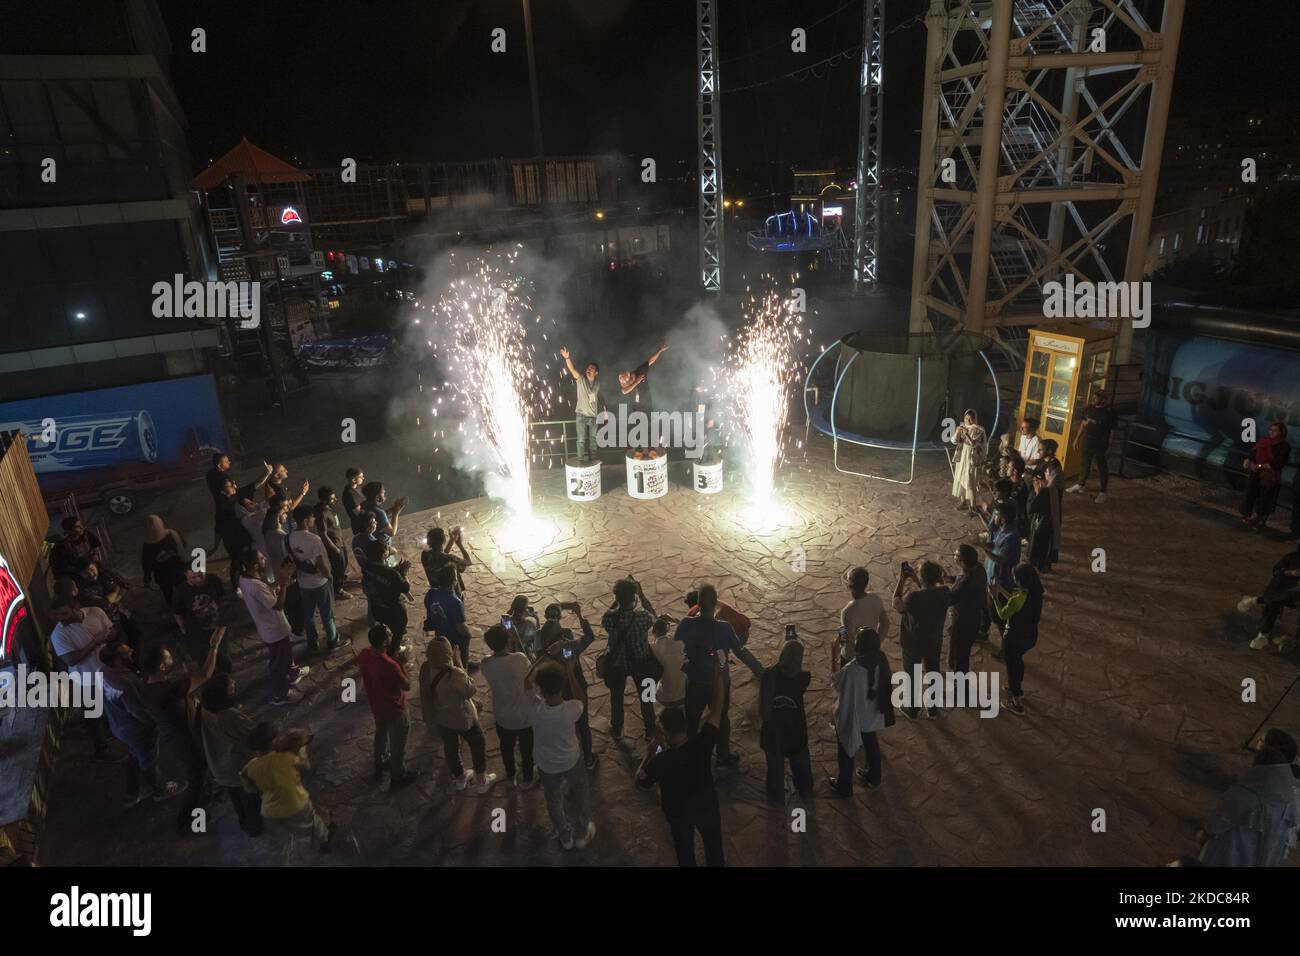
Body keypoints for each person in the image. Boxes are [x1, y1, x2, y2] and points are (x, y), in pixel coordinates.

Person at [637, 660, 726, 866]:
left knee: (684, 851)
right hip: (706, 806)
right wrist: (720, 677)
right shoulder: (702, 744)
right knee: (714, 847)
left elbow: (640, 782)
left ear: (665, 733)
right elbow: (717, 712)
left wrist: (650, 751)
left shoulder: (660, 760)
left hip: (679, 813)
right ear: (685, 726)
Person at [139, 632, 225, 832]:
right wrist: (214, 645)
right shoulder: (167, 690)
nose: (172, 660)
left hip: (180, 733)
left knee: (200, 772)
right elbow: (204, 675)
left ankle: (206, 797)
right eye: (168, 658)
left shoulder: (148, 684)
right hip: (184, 739)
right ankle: (189, 821)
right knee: (196, 776)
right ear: (161, 667)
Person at [676, 584, 761, 765]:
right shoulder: (725, 628)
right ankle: (723, 754)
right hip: (719, 680)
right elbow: (737, 647)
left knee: (692, 719)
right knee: (721, 718)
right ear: (716, 604)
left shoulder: (686, 623)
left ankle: (690, 754)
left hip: (695, 679)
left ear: (697, 604)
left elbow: (679, 639)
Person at [99, 640, 187, 806]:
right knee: (149, 760)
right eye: (127, 652)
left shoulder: (103, 671)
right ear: (117, 661)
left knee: (135, 756)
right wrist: (156, 724)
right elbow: (137, 711)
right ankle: (160, 789)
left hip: (118, 725)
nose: (132, 651)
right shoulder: (126, 683)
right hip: (136, 730)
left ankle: (132, 792)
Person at [1198, 729, 1300, 866]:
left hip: (1232, 853)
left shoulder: (1247, 792)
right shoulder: (1290, 794)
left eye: (1261, 741)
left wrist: (1205, 834)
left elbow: (1218, 821)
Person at [528, 660, 595, 850]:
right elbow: (582, 699)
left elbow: (526, 682)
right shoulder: (571, 709)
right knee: (581, 793)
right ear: (562, 685)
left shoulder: (534, 708)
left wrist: (541, 660)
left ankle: (565, 836)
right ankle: (582, 833)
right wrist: (571, 673)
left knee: (553, 799)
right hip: (571, 760)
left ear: (540, 689)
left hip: (546, 764)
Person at [419, 636, 497, 794]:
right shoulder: (454, 673)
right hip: (463, 718)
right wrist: (459, 662)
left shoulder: (426, 669)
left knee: (451, 748)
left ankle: (460, 777)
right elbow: (470, 690)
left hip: (442, 718)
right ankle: (481, 780)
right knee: (478, 743)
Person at [241, 724, 334, 852]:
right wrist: (302, 747)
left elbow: (249, 787)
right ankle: (324, 840)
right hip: (296, 803)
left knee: (291, 831)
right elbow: (306, 768)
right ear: (274, 740)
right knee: (313, 822)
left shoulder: (251, 766)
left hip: (270, 811)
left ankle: (298, 845)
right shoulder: (287, 757)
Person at [827, 627, 895, 796]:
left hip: (856, 716)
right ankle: (873, 777)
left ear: (858, 647)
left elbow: (836, 682)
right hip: (873, 715)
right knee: (871, 743)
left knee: (846, 748)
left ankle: (844, 786)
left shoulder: (852, 670)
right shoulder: (881, 659)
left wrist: (834, 653)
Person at [239, 548, 310, 705]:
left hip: (271, 627)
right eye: (261, 558)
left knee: (286, 652)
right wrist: (284, 585)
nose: (264, 557)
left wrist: (279, 581)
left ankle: (293, 672)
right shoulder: (256, 586)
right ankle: (280, 694)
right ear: (256, 566)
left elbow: (267, 592)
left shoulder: (245, 577)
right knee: (278, 662)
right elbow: (278, 605)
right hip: (273, 629)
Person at [49, 596, 117, 760]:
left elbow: (112, 631)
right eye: (57, 615)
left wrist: (109, 636)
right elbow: (71, 660)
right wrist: (95, 642)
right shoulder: (58, 634)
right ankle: (102, 751)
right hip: (85, 680)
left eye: (64, 614)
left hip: (107, 672)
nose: (60, 619)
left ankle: (111, 732)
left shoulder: (96, 612)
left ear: (76, 607)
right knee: (93, 716)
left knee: (111, 704)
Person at [537, 602, 599, 770]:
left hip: (556, 694)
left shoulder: (541, 654)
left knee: (564, 725)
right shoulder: (570, 646)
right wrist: (580, 616)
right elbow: (589, 637)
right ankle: (588, 759)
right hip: (576, 689)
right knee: (583, 724)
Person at [199, 674, 262, 836]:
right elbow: (253, 738)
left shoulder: (205, 709)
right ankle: (254, 828)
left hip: (219, 767)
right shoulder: (231, 717)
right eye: (231, 687)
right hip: (238, 768)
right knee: (251, 799)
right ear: (222, 697)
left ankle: (243, 821)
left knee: (236, 798)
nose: (234, 684)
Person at [357, 624, 418, 789]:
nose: (391, 637)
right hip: (395, 708)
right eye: (389, 636)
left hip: (377, 705)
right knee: (398, 745)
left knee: (381, 735)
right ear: (385, 642)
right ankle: (398, 776)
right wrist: (402, 663)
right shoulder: (390, 664)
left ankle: (380, 761)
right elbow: (406, 686)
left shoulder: (364, 655)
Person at [601, 576, 659, 743]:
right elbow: (654, 617)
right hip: (643, 663)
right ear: (633, 598)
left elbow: (607, 613)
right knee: (647, 697)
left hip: (618, 665)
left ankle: (617, 729)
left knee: (616, 698)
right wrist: (641, 595)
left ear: (616, 598)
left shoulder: (609, 619)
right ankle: (650, 729)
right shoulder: (643, 618)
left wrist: (616, 602)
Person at [481, 624, 537, 789]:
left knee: (506, 748)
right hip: (524, 715)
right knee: (527, 750)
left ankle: (511, 775)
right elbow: (530, 675)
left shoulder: (486, 663)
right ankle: (527, 778)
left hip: (502, 716)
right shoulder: (519, 658)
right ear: (507, 640)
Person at [893, 560, 951, 719]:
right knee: (933, 671)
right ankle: (933, 709)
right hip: (934, 640)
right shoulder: (945, 592)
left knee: (912, 675)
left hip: (913, 643)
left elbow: (897, 604)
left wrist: (902, 579)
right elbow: (929, 592)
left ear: (923, 578)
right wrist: (916, 579)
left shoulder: (913, 597)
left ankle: (912, 709)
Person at [757, 640, 812, 805]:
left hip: (773, 732)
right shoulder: (803, 678)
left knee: (775, 768)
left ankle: (776, 798)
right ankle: (805, 790)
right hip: (796, 731)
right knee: (801, 763)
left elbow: (764, 710)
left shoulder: (769, 675)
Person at [288, 505, 344, 654]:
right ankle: (333, 640)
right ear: (306, 520)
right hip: (320, 582)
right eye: (312, 517)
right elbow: (322, 564)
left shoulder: (288, 538)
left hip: (303, 583)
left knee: (308, 614)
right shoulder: (314, 539)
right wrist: (329, 576)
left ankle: (312, 643)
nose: (313, 519)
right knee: (327, 613)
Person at [993, 563, 1044, 716]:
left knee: (1011, 667)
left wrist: (994, 596)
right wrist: (1001, 590)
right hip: (1029, 636)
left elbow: (1003, 613)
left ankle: (1016, 702)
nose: (1013, 578)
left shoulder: (1018, 598)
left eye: (1015, 577)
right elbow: (1016, 603)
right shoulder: (1035, 594)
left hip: (1014, 638)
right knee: (1018, 661)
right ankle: (1017, 688)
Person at [1243, 542, 1300, 651]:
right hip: (1282, 591)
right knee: (1274, 602)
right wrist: (1290, 573)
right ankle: (1263, 634)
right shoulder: (1292, 557)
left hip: (1295, 597)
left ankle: (1256, 600)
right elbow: (1276, 571)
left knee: (1279, 598)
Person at [171, 569, 230, 673]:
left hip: (216, 628)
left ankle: (226, 679)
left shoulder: (213, 580)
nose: (198, 579)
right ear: (186, 574)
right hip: (198, 634)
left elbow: (221, 598)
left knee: (224, 659)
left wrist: (223, 620)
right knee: (206, 662)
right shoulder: (181, 591)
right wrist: (184, 629)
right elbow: (177, 613)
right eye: (194, 577)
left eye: (200, 575)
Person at [360, 539, 411, 656]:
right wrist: (403, 573)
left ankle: (386, 642)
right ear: (384, 554)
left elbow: (380, 575)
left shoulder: (366, 566)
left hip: (377, 607)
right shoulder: (392, 574)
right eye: (387, 550)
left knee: (387, 626)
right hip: (394, 611)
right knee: (398, 631)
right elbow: (405, 588)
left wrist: (396, 571)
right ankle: (394, 652)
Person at [1241, 422, 1293, 530]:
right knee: (1250, 493)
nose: (1272, 432)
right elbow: (1252, 455)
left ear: (1281, 432)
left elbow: (1278, 463)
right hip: (1256, 473)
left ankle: (1260, 520)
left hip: (1270, 476)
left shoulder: (1284, 446)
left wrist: (1260, 466)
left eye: (1275, 431)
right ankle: (1248, 516)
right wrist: (1250, 462)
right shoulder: (1263, 441)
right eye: (1271, 430)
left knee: (1265, 497)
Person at [1068, 390, 1116, 502]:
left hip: (1100, 443)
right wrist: (1077, 439)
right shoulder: (1089, 408)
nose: (1093, 400)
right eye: (1093, 398)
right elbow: (1083, 424)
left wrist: (1110, 446)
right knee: (1085, 463)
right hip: (1088, 440)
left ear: (1103, 399)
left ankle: (1103, 492)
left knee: (1101, 467)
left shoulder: (1109, 412)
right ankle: (1081, 485)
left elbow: (1112, 431)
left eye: (1095, 398)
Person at [947, 544, 988, 672]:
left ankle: (959, 687)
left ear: (962, 561)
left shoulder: (966, 582)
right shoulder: (979, 568)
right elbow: (961, 579)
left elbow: (950, 599)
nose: (954, 555)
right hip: (974, 618)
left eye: (956, 555)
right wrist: (950, 579)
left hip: (962, 623)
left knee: (960, 658)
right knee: (959, 652)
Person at [425, 564, 474, 670]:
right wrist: (469, 634)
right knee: (462, 647)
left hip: (439, 632)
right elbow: (461, 627)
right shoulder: (455, 602)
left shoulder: (431, 593)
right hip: (454, 637)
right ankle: (463, 668)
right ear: (454, 580)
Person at [839, 566, 890, 665]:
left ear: (850, 585)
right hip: (870, 653)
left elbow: (849, 639)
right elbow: (885, 623)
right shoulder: (875, 598)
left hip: (852, 658)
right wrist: (877, 643)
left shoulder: (848, 612)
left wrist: (841, 634)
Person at [560, 346, 602, 463]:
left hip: (593, 416)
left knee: (593, 439)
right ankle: (580, 461)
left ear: (596, 372)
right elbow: (572, 370)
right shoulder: (581, 379)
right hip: (581, 416)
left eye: (592, 368)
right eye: (588, 368)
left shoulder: (598, 383)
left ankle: (593, 459)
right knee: (581, 439)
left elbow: (598, 398)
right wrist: (567, 358)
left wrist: (604, 410)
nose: (589, 369)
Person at [314, 487, 353, 601]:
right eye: (332, 498)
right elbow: (322, 534)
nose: (335, 499)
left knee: (344, 563)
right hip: (334, 546)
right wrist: (334, 548)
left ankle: (342, 581)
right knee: (338, 567)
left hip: (339, 542)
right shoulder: (321, 514)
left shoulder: (329, 508)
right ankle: (337, 590)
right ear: (324, 500)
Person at [140, 514, 187, 606]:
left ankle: (175, 610)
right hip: (178, 570)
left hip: (162, 576)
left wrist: (147, 580)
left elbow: (147, 565)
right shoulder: (172, 534)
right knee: (183, 589)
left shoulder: (148, 546)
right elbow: (183, 546)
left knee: (168, 594)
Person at [950, 409, 987, 514]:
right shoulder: (962, 428)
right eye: (966, 418)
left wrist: (967, 434)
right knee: (960, 478)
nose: (968, 420)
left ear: (974, 419)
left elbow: (974, 444)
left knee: (970, 481)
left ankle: (973, 506)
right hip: (961, 456)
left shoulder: (979, 430)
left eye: (970, 418)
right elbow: (953, 441)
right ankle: (963, 502)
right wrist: (957, 432)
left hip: (971, 458)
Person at [421, 526, 472, 598]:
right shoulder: (449, 559)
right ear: (443, 541)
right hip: (453, 597)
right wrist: (459, 544)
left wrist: (452, 540)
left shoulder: (425, 555)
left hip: (437, 595)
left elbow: (441, 556)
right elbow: (468, 562)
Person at [650, 615, 686, 713]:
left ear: (653, 632)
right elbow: (686, 627)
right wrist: (673, 619)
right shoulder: (679, 640)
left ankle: (651, 713)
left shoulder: (652, 648)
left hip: (666, 699)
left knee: (649, 681)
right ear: (667, 628)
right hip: (685, 694)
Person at [1025, 469, 1056, 573]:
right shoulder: (1034, 491)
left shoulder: (1049, 491)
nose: (1036, 483)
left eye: (1038, 480)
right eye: (1034, 481)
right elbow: (1029, 509)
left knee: (1043, 547)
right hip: (1036, 525)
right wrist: (1037, 493)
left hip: (1045, 525)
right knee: (1034, 545)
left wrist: (1039, 494)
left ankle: (1042, 565)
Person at [506, 594, 541, 661]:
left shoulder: (506, 623)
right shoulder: (530, 625)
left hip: (508, 658)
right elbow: (538, 644)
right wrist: (537, 619)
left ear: (513, 606)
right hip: (526, 659)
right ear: (525, 609)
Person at [341, 467, 367, 532]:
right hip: (361, 527)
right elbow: (358, 513)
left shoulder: (359, 488)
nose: (363, 478)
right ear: (353, 480)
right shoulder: (349, 495)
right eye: (361, 477)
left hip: (367, 523)